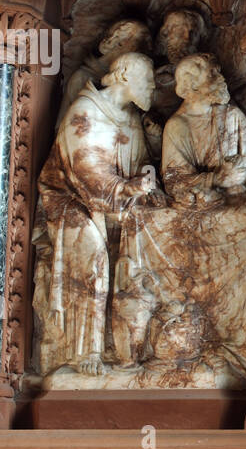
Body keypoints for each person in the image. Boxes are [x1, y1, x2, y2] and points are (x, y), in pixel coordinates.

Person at [37, 52, 164, 375]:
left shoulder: (130, 117)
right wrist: (131, 188)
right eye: (147, 80)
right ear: (124, 77)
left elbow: (141, 163)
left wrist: (146, 175)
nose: (153, 86)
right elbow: (87, 174)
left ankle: (142, 342)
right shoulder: (85, 112)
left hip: (118, 202)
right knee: (94, 252)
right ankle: (88, 350)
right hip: (71, 202)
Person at [163, 53, 246, 205]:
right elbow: (174, 180)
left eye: (218, 72)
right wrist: (215, 179)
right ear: (192, 85)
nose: (221, 78)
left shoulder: (231, 114)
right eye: (212, 74)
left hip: (242, 197)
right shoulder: (178, 126)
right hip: (207, 204)